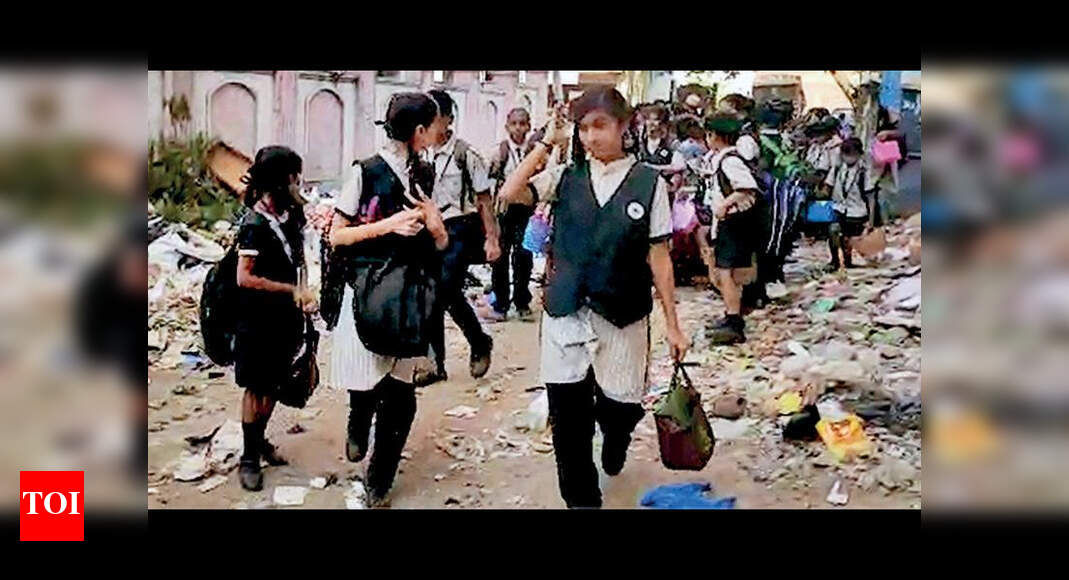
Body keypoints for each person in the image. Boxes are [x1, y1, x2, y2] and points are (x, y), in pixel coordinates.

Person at [497, 87, 691, 508]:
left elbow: (659, 257)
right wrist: (548, 140)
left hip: (623, 313)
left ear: (624, 127)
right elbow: (511, 193)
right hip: (566, 308)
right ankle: (582, 499)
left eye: (600, 126)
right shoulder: (566, 176)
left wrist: (673, 326)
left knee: (621, 407)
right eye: (583, 128)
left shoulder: (648, 183)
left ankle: (617, 440)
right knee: (568, 417)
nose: (590, 137)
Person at [328, 93, 450, 506]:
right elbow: (337, 235)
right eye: (434, 126)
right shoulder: (365, 173)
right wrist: (387, 226)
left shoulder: (425, 174)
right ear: (418, 132)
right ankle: (358, 421)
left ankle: (378, 479)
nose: (440, 132)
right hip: (368, 294)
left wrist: (436, 228)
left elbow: (441, 241)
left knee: (401, 396)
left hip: (411, 296)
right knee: (365, 381)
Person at [232, 146, 316, 491]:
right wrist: (289, 290)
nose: (301, 182)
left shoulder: (292, 213)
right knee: (256, 387)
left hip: (286, 316)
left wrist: (305, 290)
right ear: (282, 180)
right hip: (256, 317)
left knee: (274, 384)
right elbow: (244, 277)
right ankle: (249, 458)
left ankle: (259, 440)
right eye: (296, 176)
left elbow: (298, 258)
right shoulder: (254, 223)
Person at [417, 89, 499, 386]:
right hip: (427, 228)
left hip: (459, 227)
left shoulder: (466, 154)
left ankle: (478, 342)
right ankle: (435, 362)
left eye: (434, 117)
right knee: (431, 295)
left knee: (446, 289)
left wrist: (492, 239)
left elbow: (484, 199)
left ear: (449, 119)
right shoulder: (419, 151)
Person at [696, 113, 761, 345]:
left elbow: (747, 188)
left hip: (734, 224)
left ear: (714, 136)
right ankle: (730, 315)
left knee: (728, 274)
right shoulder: (718, 159)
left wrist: (724, 204)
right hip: (726, 223)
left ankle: (734, 320)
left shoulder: (730, 161)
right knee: (724, 273)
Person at [487, 107, 536, 323]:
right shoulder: (500, 152)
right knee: (500, 257)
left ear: (529, 126)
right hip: (504, 209)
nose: (518, 128)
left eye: (522, 123)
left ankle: (522, 302)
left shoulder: (535, 151)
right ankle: (500, 304)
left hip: (527, 209)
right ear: (507, 126)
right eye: (514, 123)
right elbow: (488, 182)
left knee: (524, 256)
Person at [824, 137, 873, 270]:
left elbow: (870, 197)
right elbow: (828, 186)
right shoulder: (838, 168)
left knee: (848, 239)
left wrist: (871, 220)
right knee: (833, 232)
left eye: (852, 154)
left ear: (859, 154)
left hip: (856, 211)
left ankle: (847, 261)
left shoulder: (864, 172)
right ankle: (834, 261)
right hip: (838, 207)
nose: (848, 158)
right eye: (846, 154)